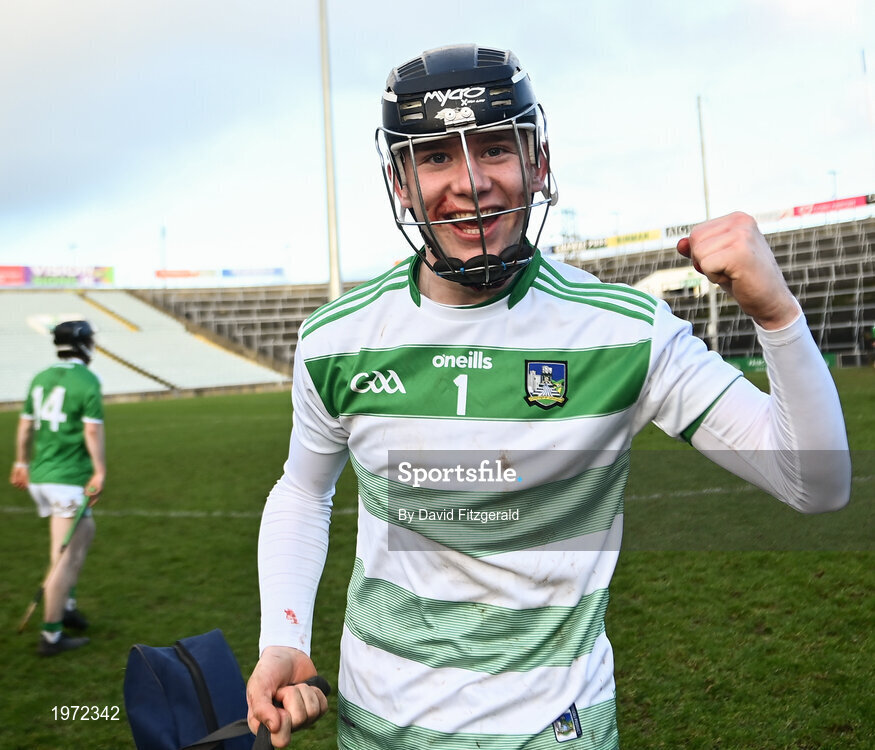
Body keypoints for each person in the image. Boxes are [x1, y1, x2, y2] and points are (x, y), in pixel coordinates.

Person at [246, 44, 851, 749]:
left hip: (556, 731)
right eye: (436, 156)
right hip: (380, 727)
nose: (471, 182)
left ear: (538, 163)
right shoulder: (337, 339)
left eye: (495, 148)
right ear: (400, 181)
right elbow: (303, 490)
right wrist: (282, 635)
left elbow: (815, 483)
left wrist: (776, 315)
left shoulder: (626, 332)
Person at [10, 319, 106, 656]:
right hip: (65, 480)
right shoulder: (88, 380)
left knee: (85, 532)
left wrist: (21, 462)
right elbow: (92, 431)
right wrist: (99, 471)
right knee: (62, 558)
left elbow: (25, 426)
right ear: (82, 345)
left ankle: (66, 605)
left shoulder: (40, 377)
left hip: (41, 476)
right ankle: (51, 635)